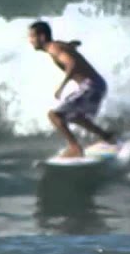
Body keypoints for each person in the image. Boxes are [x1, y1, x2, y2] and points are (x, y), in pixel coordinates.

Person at [27, 20, 117, 158]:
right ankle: (106, 136)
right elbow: (68, 52)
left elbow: (71, 63)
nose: (30, 40)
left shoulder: (53, 48)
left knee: (54, 115)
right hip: (98, 85)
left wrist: (61, 86)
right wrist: (72, 46)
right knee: (74, 116)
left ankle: (74, 147)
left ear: (42, 37)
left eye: (32, 36)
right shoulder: (58, 45)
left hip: (91, 86)